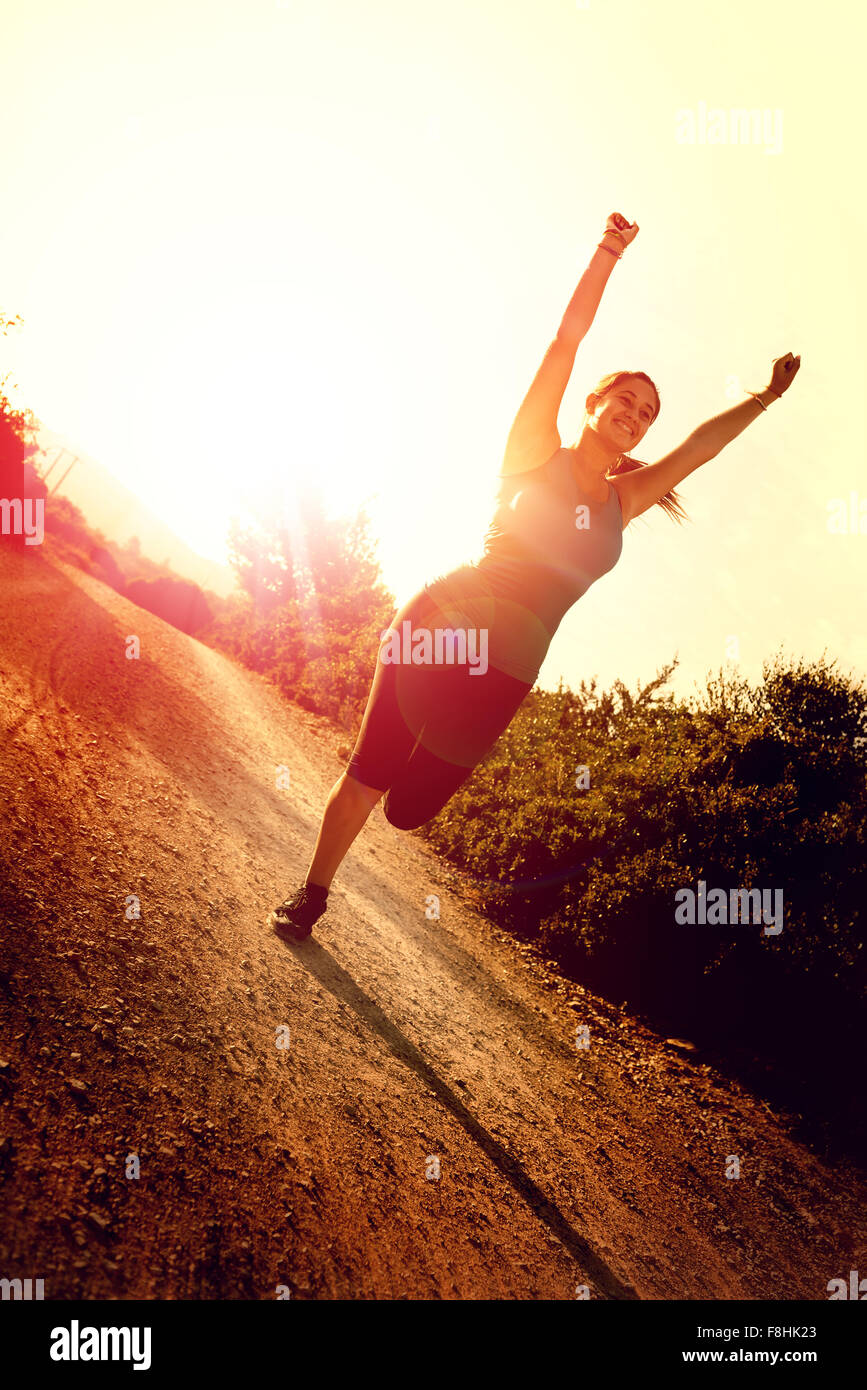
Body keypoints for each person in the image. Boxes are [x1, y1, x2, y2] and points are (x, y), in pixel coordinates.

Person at [269, 211, 800, 942]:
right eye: (625, 402)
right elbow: (564, 341)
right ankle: (312, 894)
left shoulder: (624, 499)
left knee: (410, 806)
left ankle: (387, 798)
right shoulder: (532, 449)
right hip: (442, 622)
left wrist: (763, 398)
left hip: (507, 670)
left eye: (646, 415)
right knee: (371, 772)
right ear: (592, 404)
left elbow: (697, 449)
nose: (635, 418)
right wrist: (607, 253)